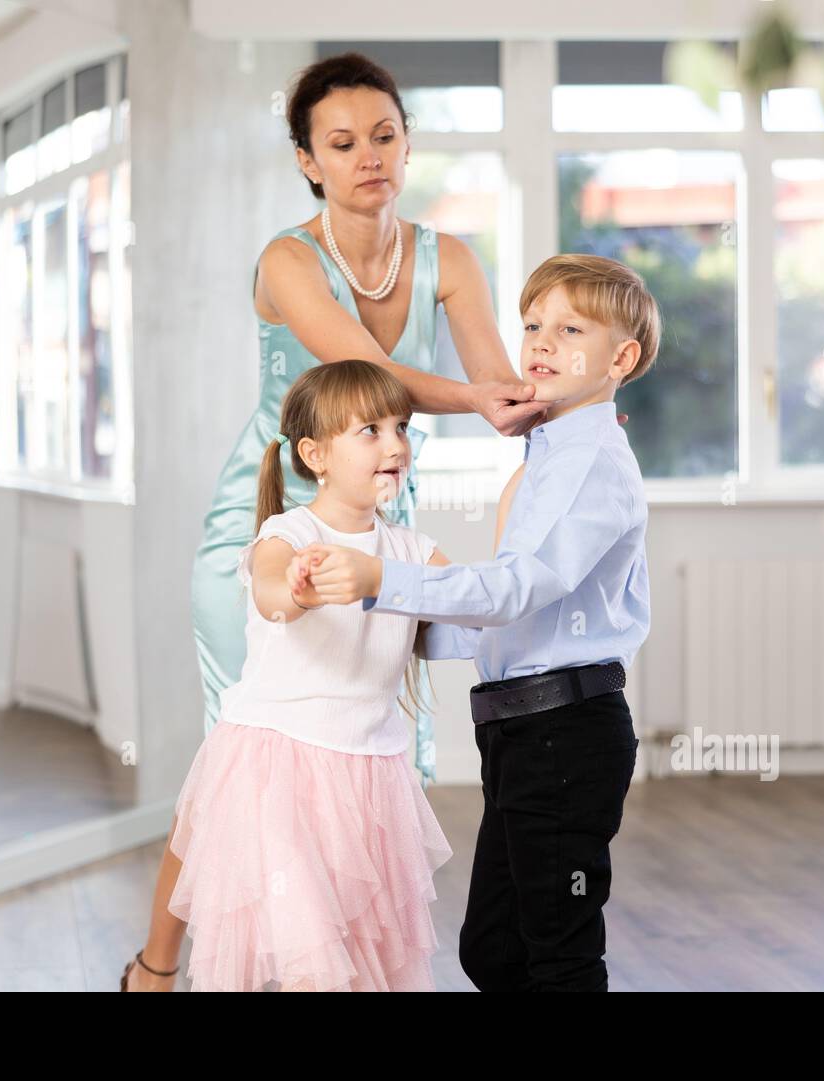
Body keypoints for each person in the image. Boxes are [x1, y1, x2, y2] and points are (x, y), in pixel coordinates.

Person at [121, 51, 546, 991]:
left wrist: (573, 406)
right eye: (342, 143)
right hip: (274, 512)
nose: (369, 158)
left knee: (359, 759)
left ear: (407, 141)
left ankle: (336, 968)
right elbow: (373, 380)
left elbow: (502, 387)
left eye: (385, 136)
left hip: (379, 509)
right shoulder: (286, 257)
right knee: (244, 775)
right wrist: (484, 401)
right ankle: (156, 969)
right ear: (309, 160)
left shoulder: (448, 258)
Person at [294, 254, 661, 991]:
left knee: (558, 951)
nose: (541, 342)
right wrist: (392, 621)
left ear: (621, 357)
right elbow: (514, 625)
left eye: (569, 327)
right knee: (495, 949)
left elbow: (516, 589)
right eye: (532, 325)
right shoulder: (550, 456)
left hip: (565, 733)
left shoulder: (587, 462)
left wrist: (384, 580)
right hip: (525, 731)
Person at [166, 360, 463, 991]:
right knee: (310, 956)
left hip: (370, 776)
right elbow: (272, 592)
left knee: (362, 957)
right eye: (371, 431)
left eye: (401, 428)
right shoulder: (291, 532)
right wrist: (299, 590)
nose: (395, 445)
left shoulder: (409, 549)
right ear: (315, 453)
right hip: (278, 768)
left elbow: (475, 596)